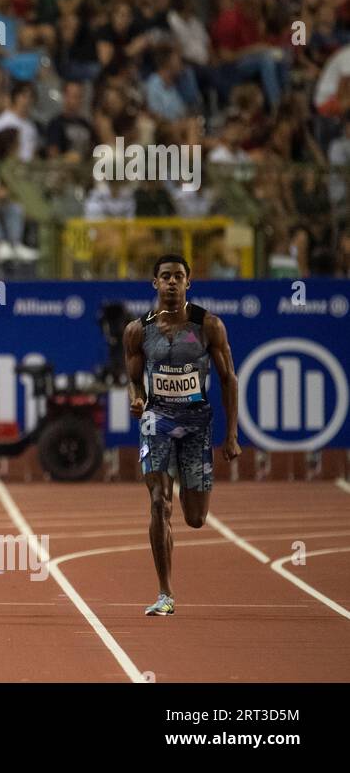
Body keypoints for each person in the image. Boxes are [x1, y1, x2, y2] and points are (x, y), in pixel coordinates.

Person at [123, 255, 241, 617]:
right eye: (165, 277)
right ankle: (165, 593)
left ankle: (192, 500)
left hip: (195, 425)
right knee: (159, 501)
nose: (171, 283)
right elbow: (132, 377)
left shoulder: (209, 326)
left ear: (189, 283)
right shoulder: (138, 331)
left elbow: (228, 380)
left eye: (178, 277)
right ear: (154, 283)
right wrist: (137, 398)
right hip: (157, 421)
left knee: (195, 518)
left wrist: (232, 435)